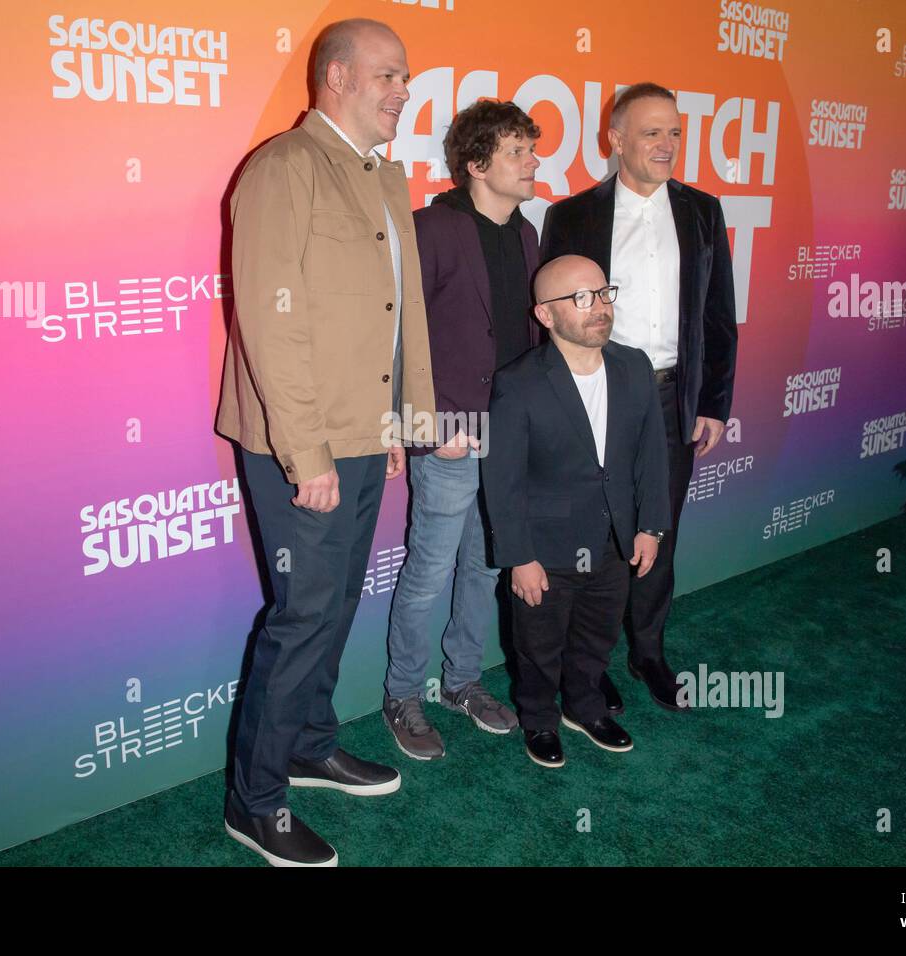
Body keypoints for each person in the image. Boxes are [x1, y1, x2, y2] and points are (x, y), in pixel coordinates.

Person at [214, 18, 436, 867]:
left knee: (337, 602)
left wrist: (395, 425)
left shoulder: (382, 178)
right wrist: (305, 454)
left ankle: (308, 743)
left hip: (360, 429)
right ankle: (254, 801)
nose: (401, 93)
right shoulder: (283, 170)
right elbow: (274, 329)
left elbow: (394, 312)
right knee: (304, 612)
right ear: (336, 77)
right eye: (387, 76)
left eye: (405, 78)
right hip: (294, 439)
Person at [540, 82, 738, 715]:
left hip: (674, 396)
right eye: (652, 132)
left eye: (675, 132)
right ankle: (587, 665)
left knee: (660, 529)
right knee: (595, 537)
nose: (667, 144)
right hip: (600, 395)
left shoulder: (704, 212)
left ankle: (649, 651)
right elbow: (550, 318)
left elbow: (718, 317)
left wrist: (712, 403)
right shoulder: (572, 217)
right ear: (616, 139)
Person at [381, 100, 542, 759]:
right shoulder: (433, 228)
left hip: (510, 431)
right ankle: (402, 695)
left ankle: (463, 681)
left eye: (531, 149)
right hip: (450, 430)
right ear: (476, 165)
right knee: (429, 569)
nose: (533, 161)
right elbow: (395, 332)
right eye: (517, 152)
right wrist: (420, 425)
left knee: (484, 566)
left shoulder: (528, 233)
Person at [481, 255, 671, 767]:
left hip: (615, 541)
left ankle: (585, 708)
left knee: (597, 636)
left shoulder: (633, 367)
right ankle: (539, 718)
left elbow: (653, 455)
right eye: (581, 298)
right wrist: (519, 557)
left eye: (604, 293)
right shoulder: (517, 382)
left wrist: (651, 526)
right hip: (545, 548)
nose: (600, 307)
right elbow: (502, 480)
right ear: (545, 315)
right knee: (538, 647)